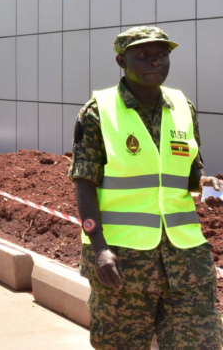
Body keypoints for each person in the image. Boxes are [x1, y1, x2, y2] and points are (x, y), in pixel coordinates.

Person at [70, 26, 223, 350]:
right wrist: (99, 248)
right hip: (123, 261)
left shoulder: (183, 107)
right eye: (144, 56)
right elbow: (84, 183)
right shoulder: (99, 111)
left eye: (162, 55)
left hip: (185, 258)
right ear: (121, 60)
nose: (156, 62)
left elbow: (189, 169)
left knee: (203, 343)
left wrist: (203, 183)